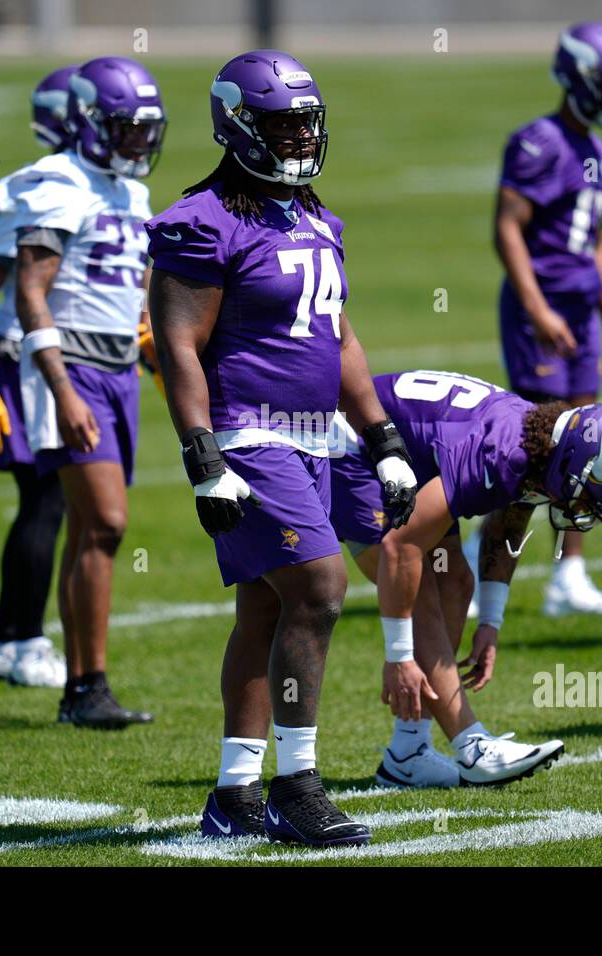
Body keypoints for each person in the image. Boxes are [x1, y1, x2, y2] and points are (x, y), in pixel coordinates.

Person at [147, 50, 418, 846]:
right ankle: (295, 787)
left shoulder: (313, 215)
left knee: (265, 609)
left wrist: (385, 439)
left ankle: (232, 797)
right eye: (282, 124)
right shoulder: (203, 221)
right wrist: (205, 461)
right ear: (237, 127)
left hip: (311, 437)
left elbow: (340, 339)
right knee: (321, 588)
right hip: (247, 432)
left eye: (307, 122)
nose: (299, 137)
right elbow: (179, 346)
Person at [331, 370, 602, 787]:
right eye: (588, 498)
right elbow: (399, 549)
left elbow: (509, 521)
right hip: (355, 442)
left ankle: (407, 753)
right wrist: (399, 657)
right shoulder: (500, 452)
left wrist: (491, 623)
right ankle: (472, 745)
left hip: (412, 452)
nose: (585, 511)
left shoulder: (543, 451)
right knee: (423, 586)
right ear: (574, 464)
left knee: (457, 581)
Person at [11, 57, 164, 729]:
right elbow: (29, 291)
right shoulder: (58, 183)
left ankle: (80, 689)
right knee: (105, 522)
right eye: (126, 129)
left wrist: (160, 360)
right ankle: (88, 684)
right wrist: (62, 388)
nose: (138, 142)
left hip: (119, 368)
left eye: (145, 130)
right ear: (89, 124)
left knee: (88, 529)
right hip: (70, 365)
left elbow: (137, 298)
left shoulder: (132, 194)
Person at [494, 21, 602, 618]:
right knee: (532, 450)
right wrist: (537, 308)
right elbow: (508, 227)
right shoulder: (539, 141)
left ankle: (569, 576)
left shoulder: (598, 153)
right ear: (578, 79)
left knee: (587, 441)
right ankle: (492, 582)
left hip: (581, 311)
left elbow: (595, 243)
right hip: (543, 311)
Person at [0, 67, 81, 690]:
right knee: (45, 497)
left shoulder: (97, 187)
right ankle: (18, 639)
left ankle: (13, 638)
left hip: (70, 358)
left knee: (51, 500)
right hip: (28, 360)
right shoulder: (23, 192)